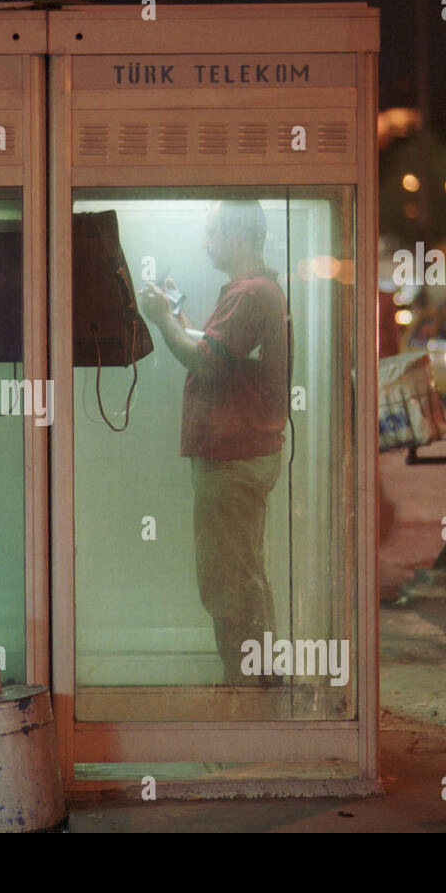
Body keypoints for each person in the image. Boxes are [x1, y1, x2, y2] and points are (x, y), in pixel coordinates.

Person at [138, 201, 290, 684]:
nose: (204, 243)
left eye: (210, 233)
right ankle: (257, 676)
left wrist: (162, 319)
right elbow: (220, 351)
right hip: (243, 454)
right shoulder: (259, 292)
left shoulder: (251, 294)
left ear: (237, 236)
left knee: (230, 578)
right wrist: (178, 317)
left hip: (233, 456)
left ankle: (247, 684)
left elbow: (206, 362)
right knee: (243, 569)